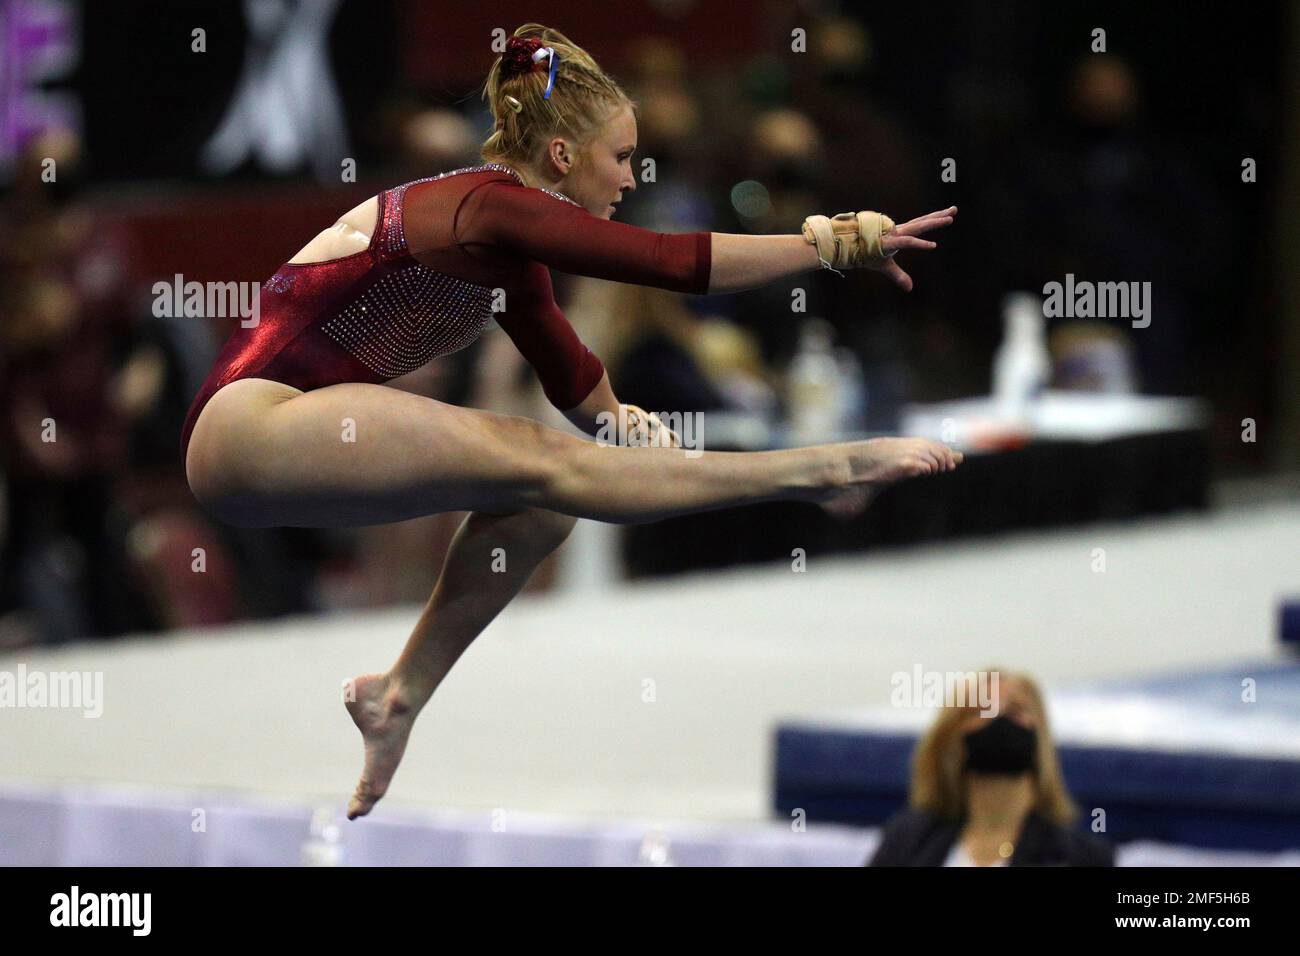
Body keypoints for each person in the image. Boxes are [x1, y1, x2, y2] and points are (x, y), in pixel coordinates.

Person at [179, 23, 960, 819]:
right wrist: (823, 242)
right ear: (561, 156)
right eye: (619, 157)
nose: (629, 176)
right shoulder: (487, 206)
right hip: (249, 426)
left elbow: (571, 377)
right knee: (535, 458)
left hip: (275, 448)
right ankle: (822, 471)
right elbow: (666, 261)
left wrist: (624, 421)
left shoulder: (503, 245)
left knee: (547, 504)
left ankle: (398, 695)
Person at [868, 670, 1115, 866]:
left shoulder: (1081, 856)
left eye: (1015, 709)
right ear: (952, 734)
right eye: (984, 709)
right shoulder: (908, 840)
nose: (999, 718)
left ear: (1040, 735)